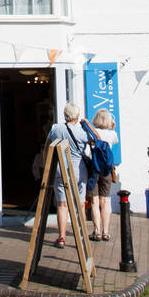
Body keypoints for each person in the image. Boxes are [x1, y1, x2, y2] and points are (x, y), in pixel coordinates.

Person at [45, 103, 95, 247]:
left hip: (60, 168)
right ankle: (82, 236)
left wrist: (47, 166)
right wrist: (87, 124)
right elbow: (95, 139)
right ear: (77, 116)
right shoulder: (80, 132)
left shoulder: (55, 128)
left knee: (62, 204)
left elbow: (48, 146)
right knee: (79, 204)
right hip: (78, 170)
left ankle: (61, 237)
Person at [82, 109, 119, 242]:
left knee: (94, 201)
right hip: (107, 170)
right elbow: (115, 138)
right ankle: (106, 232)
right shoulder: (112, 134)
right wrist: (112, 127)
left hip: (94, 169)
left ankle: (96, 231)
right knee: (105, 201)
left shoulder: (91, 134)